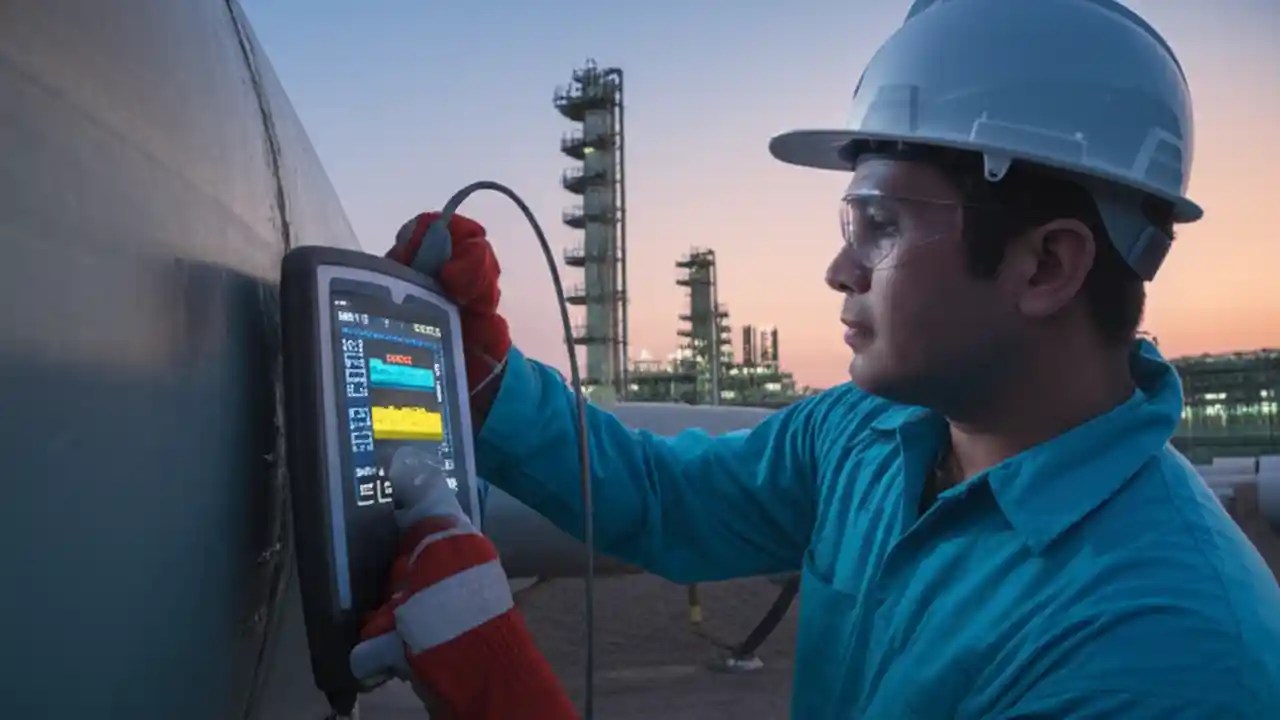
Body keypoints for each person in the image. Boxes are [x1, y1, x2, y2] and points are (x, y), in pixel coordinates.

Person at [356, 0, 1280, 717]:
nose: (839, 268)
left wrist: (501, 693)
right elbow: (663, 498)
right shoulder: (874, 432)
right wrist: (489, 381)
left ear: (1046, 265)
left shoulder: (1161, 649)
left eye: (879, 225)